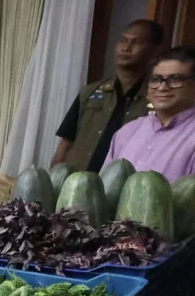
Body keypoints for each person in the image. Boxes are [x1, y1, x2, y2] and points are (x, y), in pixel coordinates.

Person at [52, 20, 163, 172]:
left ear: (155, 51)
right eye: (123, 40)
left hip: (123, 187)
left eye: (137, 42)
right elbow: (66, 143)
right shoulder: (91, 92)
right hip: (76, 183)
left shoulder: (159, 97)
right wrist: (53, 180)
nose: (126, 48)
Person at [103, 46, 195, 181]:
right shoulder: (127, 132)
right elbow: (104, 189)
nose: (162, 87)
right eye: (156, 79)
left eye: (175, 79)